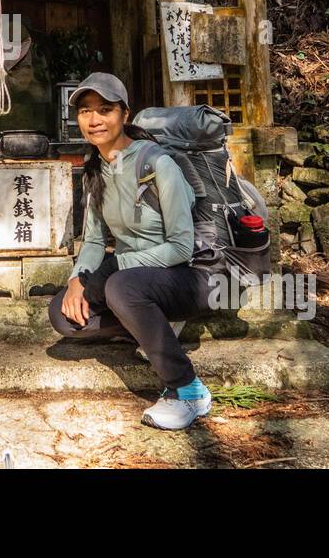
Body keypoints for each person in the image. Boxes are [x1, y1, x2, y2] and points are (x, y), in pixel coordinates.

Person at [48, 71, 216, 430]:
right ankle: (142, 324)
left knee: (120, 287)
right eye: (85, 111)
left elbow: (181, 247)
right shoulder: (95, 170)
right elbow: (94, 239)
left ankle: (188, 390)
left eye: (105, 109)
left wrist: (115, 266)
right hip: (131, 278)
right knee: (62, 313)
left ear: (124, 114)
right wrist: (78, 279)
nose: (94, 120)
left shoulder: (158, 165)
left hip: (186, 277)